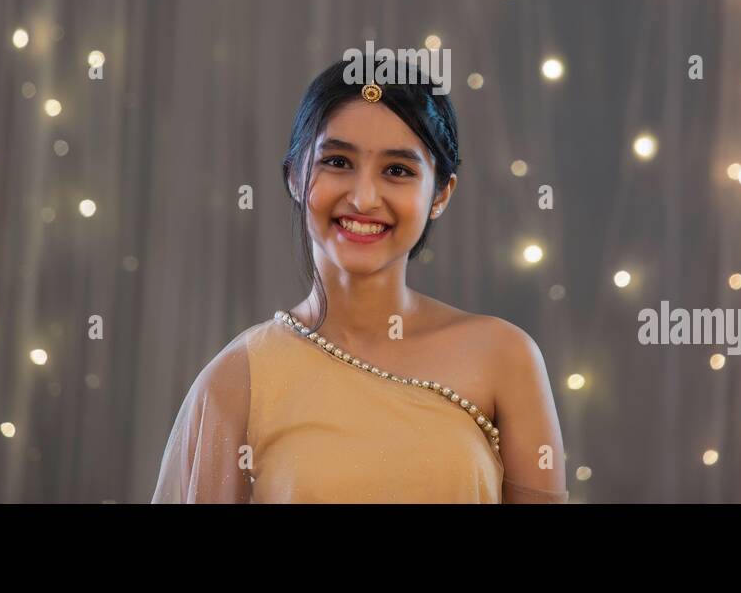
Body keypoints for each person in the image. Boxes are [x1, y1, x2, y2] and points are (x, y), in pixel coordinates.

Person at [152, 59, 568, 502]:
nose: (364, 198)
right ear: (295, 177)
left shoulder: (505, 358)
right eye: (337, 161)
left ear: (441, 194)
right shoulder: (240, 378)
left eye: (398, 170)